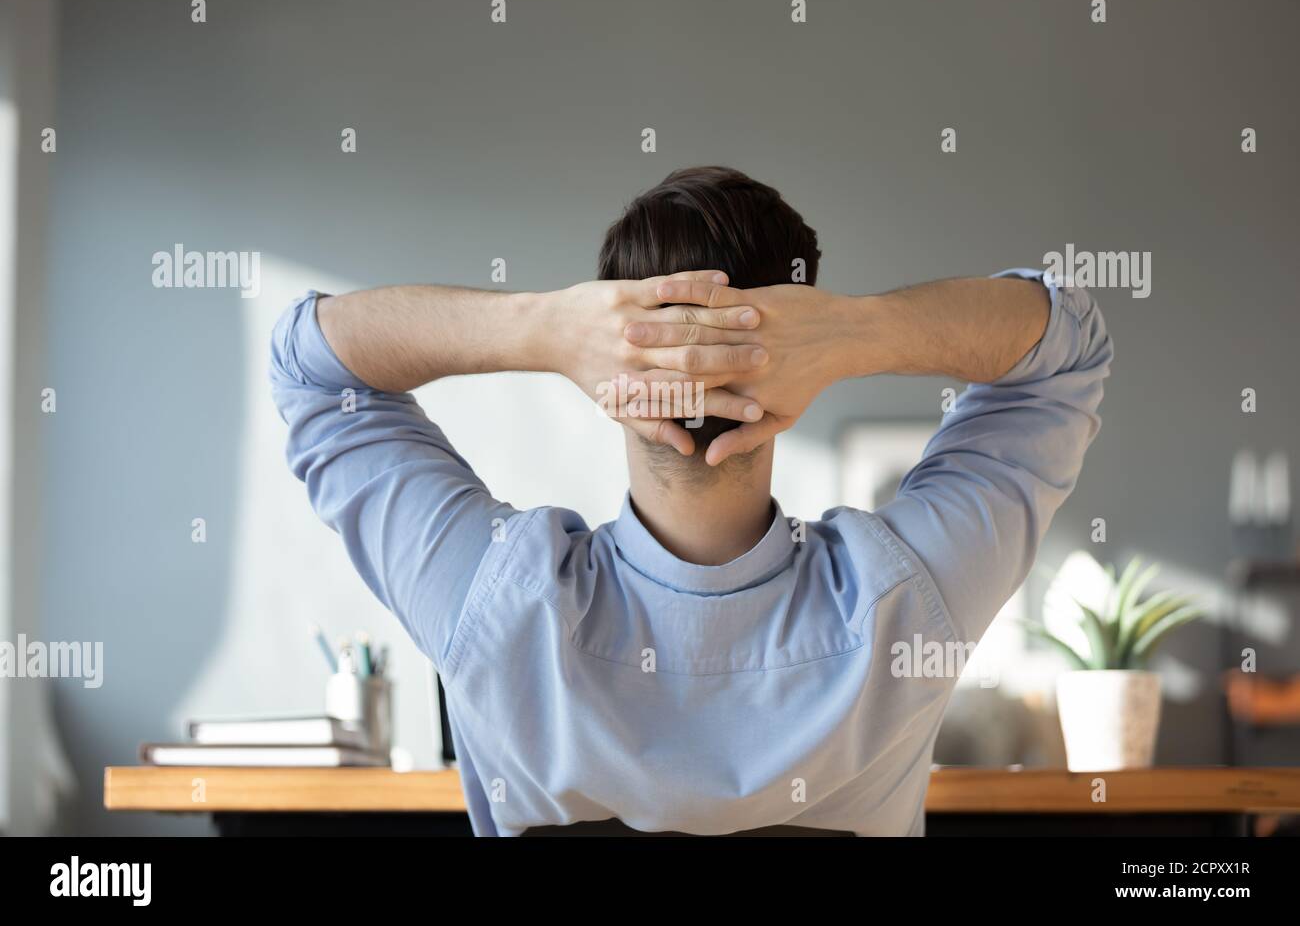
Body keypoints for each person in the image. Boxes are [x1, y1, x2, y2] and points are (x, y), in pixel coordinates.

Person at [270, 166, 1112, 835]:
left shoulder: (496, 601)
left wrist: (543, 328)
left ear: (616, 371)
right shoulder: (909, 597)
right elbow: (1066, 348)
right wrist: (854, 332)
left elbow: (310, 365)